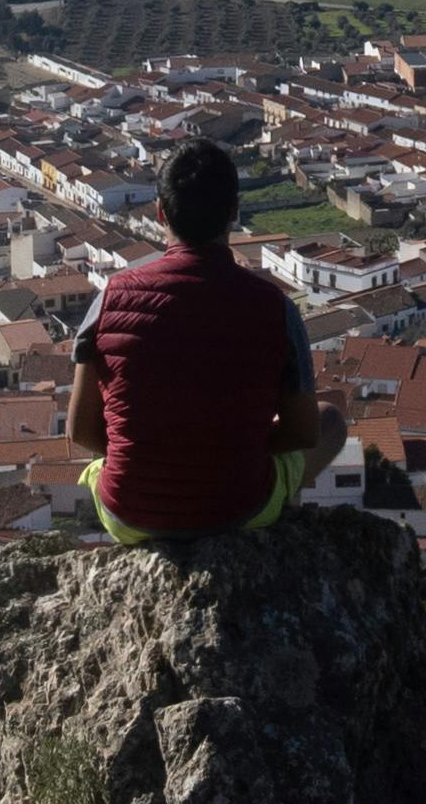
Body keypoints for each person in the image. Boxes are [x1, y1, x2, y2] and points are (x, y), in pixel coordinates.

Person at [67, 139, 348, 543]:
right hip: (240, 508)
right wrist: (235, 445)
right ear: (234, 211)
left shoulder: (109, 299)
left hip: (129, 514)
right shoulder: (275, 307)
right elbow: (305, 432)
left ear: (161, 212)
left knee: (104, 463)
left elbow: (80, 430)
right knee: (332, 420)